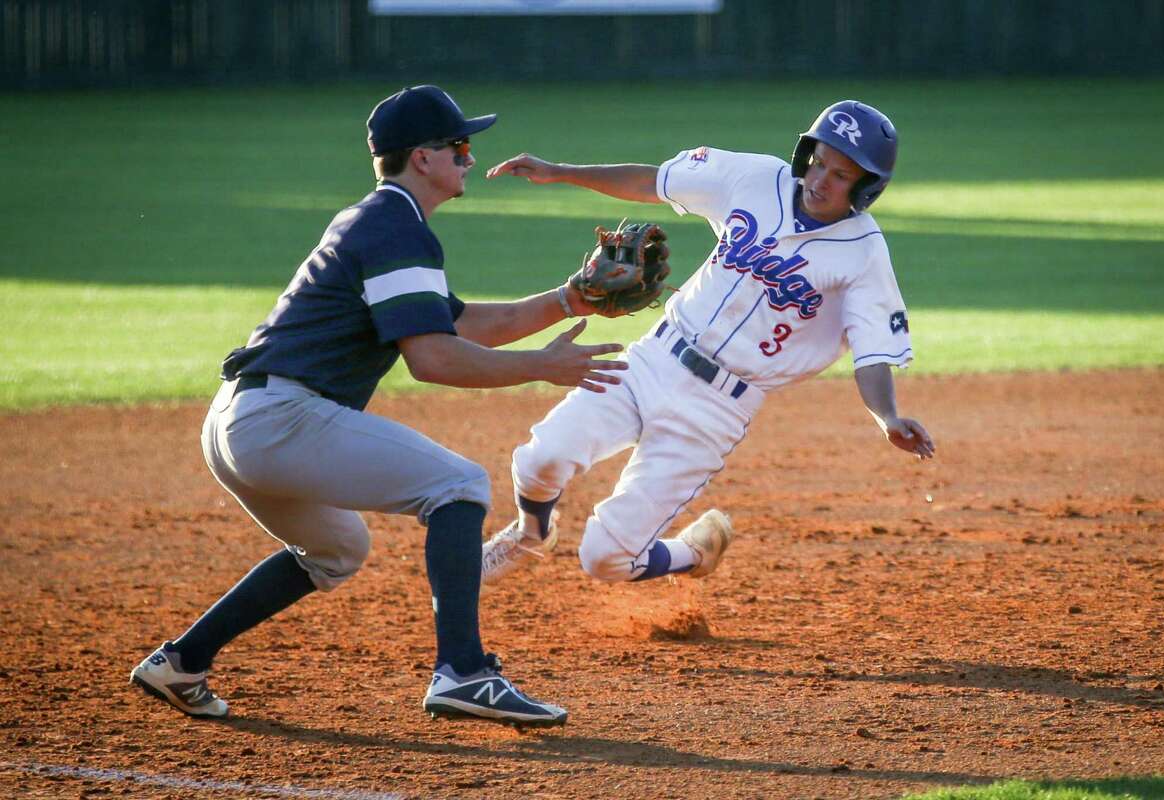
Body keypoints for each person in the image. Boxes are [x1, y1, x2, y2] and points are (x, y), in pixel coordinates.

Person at [129, 85, 627, 727]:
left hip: (239, 421)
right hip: (280, 419)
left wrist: (570, 298)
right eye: (461, 146)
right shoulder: (395, 228)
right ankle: (465, 673)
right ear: (422, 157)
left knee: (337, 549)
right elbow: (434, 360)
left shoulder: (383, 220)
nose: (470, 159)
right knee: (460, 486)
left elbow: (460, 324)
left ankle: (183, 661)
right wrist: (541, 367)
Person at [480, 100, 935, 589]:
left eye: (841, 175)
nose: (821, 180)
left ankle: (693, 551)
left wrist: (886, 416)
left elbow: (871, 353)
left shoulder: (864, 254)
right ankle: (531, 534)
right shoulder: (756, 179)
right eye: (819, 161)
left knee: (605, 559)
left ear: (867, 187)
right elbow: (652, 182)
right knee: (539, 458)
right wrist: (561, 172)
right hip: (654, 359)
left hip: (715, 410)